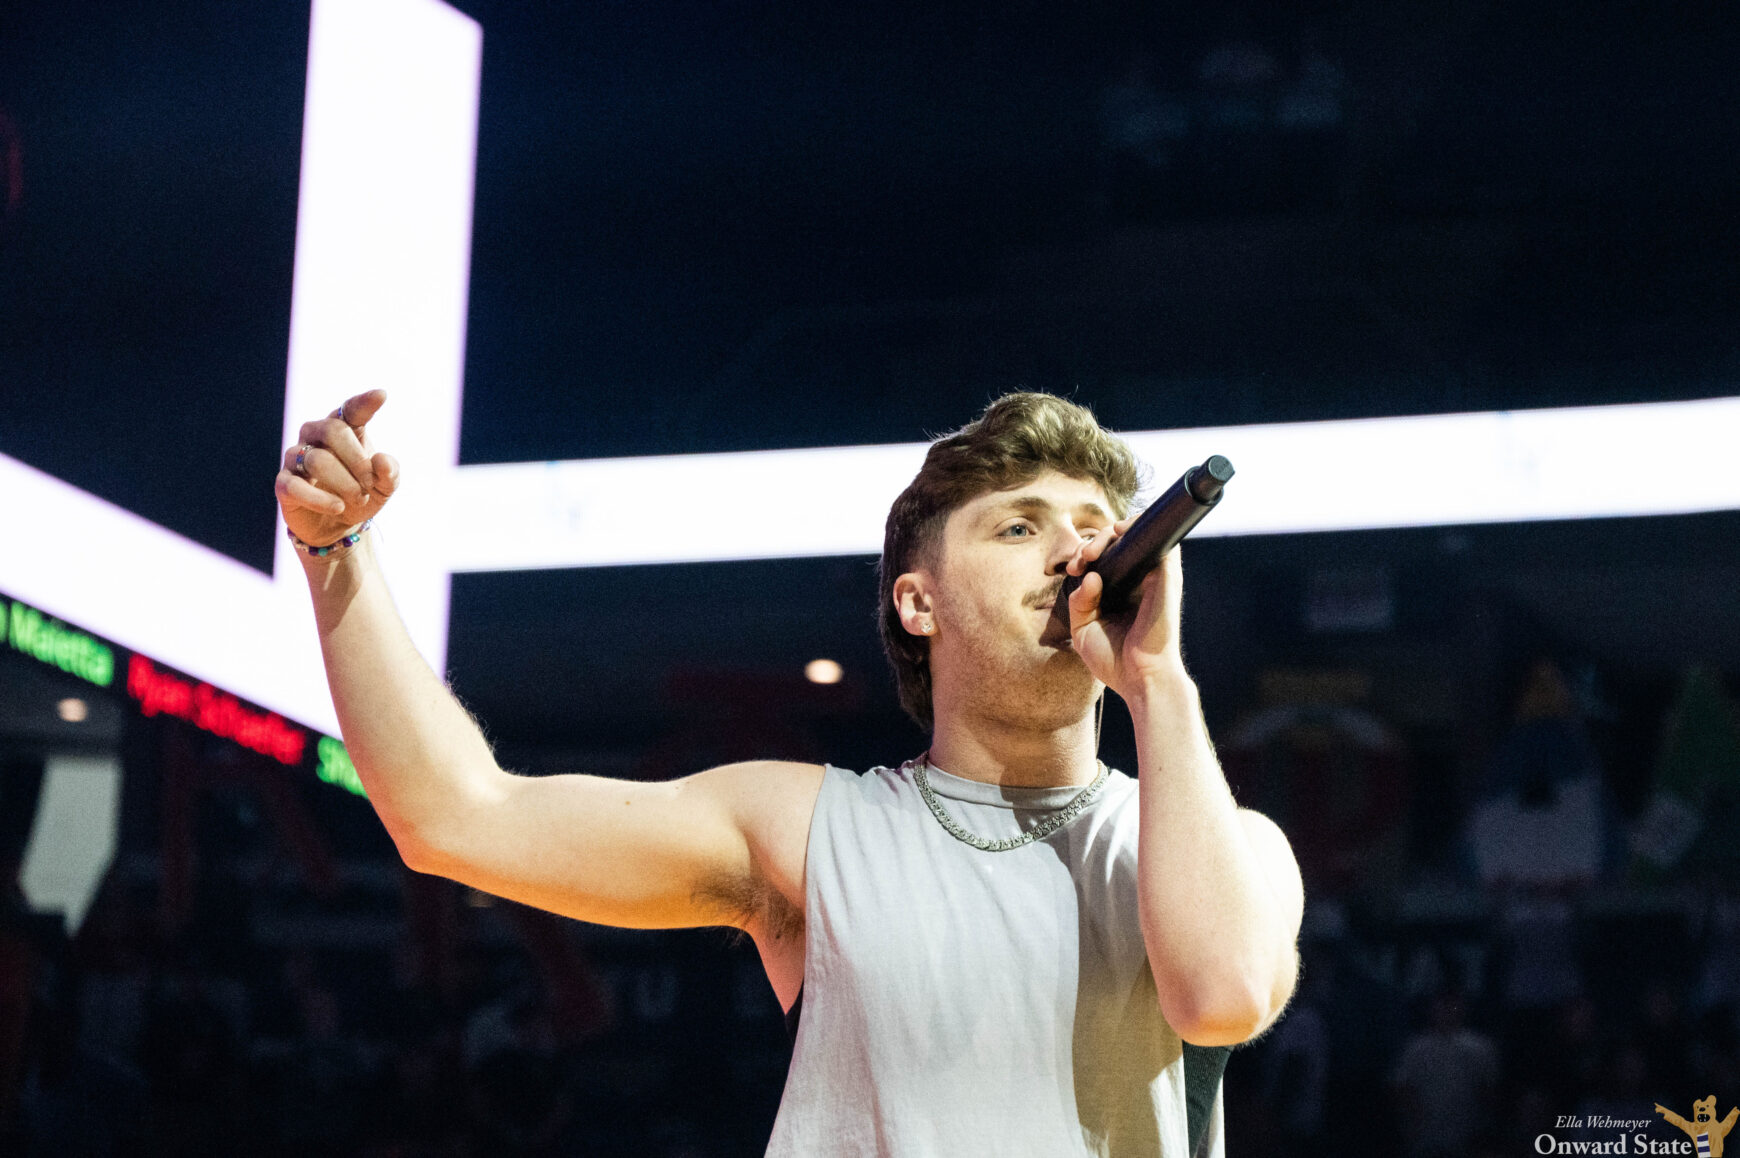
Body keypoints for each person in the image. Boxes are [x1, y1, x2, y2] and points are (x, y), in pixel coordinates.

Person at [273, 389, 1304, 1156]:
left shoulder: (1231, 847)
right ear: (919, 603)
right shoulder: (811, 827)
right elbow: (456, 816)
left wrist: (1157, 684)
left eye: (1093, 531)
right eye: (1020, 526)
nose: (1071, 555)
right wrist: (339, 555)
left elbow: (1220, 997)